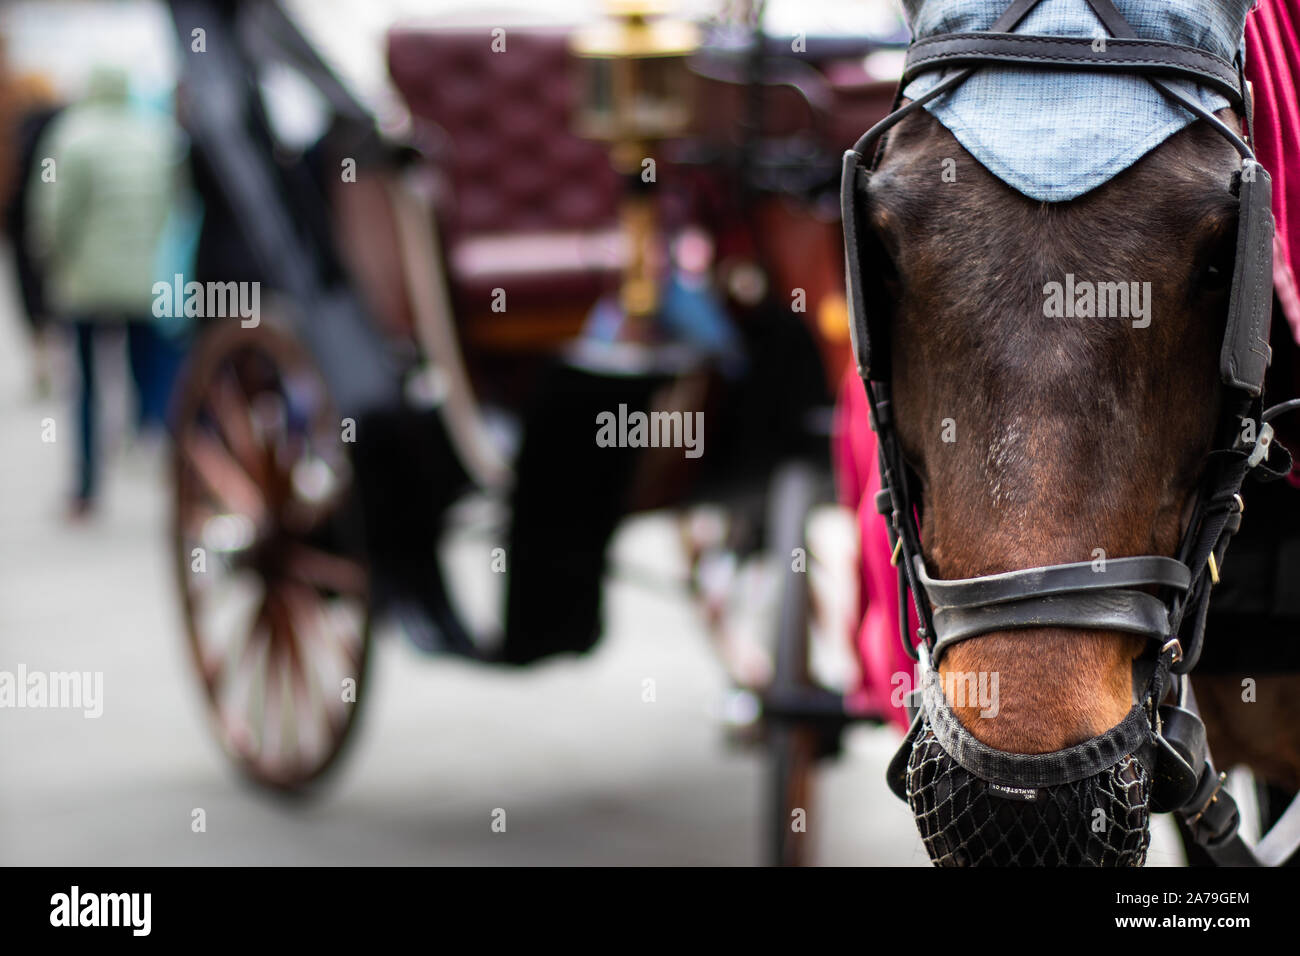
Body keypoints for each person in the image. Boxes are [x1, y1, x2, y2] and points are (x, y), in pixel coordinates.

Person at [27, 65, 186, 516]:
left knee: (86, 384)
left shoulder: (71, 135)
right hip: (141, 277)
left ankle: (86, 485)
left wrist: (53, 258)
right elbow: (171, 203)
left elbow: (53, 210)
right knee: (148, 365)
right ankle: (151, 438)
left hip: (85, 281)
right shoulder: (153, 135)